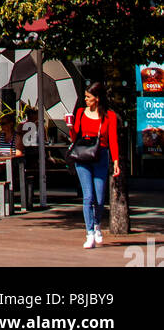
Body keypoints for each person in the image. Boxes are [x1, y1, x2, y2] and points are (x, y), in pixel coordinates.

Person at [69, 82, 120, 249]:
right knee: (88, 196)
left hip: (101, 156)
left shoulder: (109, 116)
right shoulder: (80, 113)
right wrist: (70, 126)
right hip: (83, 157)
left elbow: (113, 139)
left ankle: (97, 225)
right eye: (85, 97)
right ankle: (89, 232)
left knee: (99, 197)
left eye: (88, 97)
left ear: (97, 99)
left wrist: (116, 161)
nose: (85, 100)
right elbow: (74, 136)